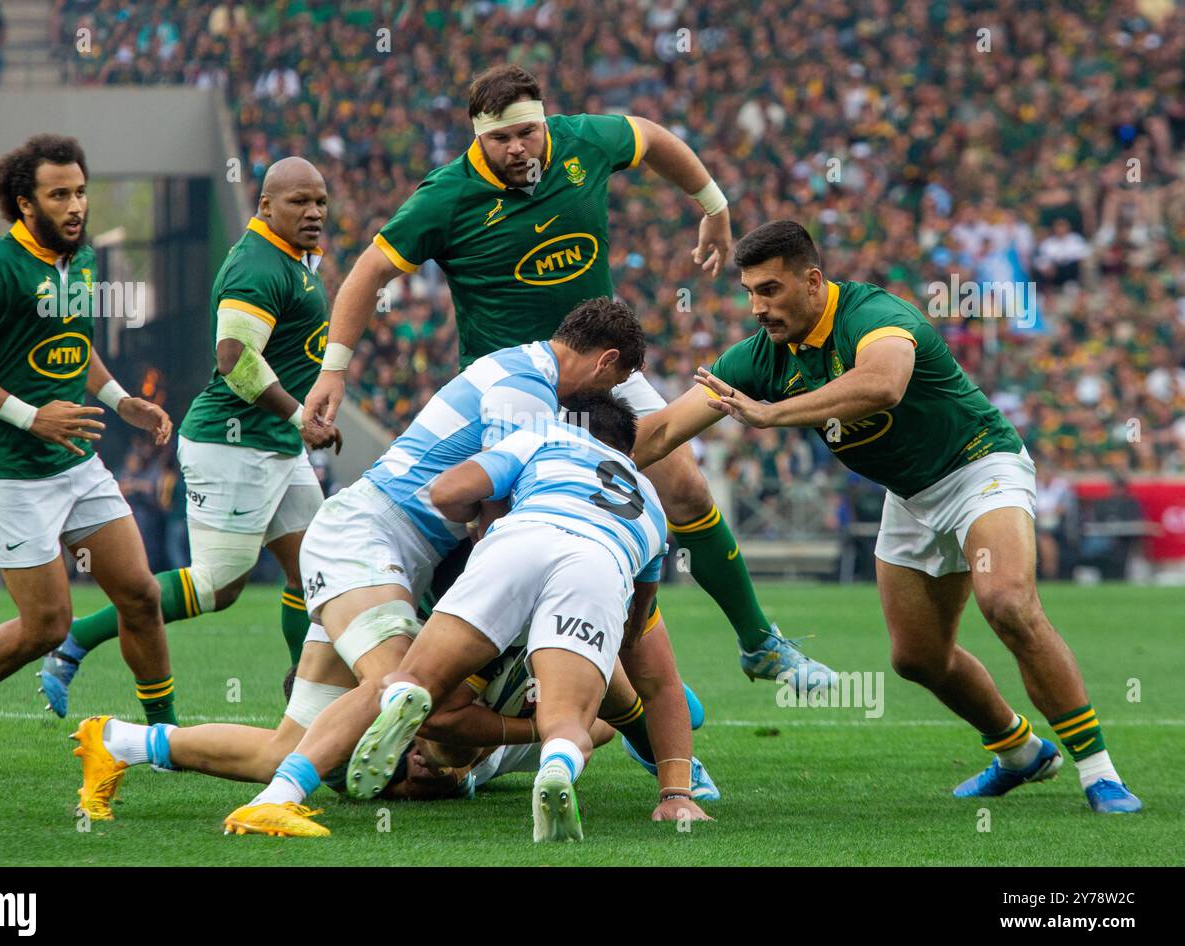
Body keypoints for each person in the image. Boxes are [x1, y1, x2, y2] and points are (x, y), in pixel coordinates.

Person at [73, 300, 712, 826]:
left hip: (381, 549)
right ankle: (288, 803)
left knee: (291, 746)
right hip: (369, 539)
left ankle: (118, 742)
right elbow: (496, 512)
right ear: (606, 363)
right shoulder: (530, 398)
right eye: (617, 384)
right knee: (405, 688)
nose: (608, 401)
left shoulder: (518, 372)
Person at [303, 63, 836, 692]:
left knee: (686, 488)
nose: (517, 148)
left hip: (599, 370)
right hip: (513, 393)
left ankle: (759, 644)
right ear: (477, 138)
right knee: (525, 533)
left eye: (527, 132)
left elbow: (655, 138)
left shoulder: (585, 142)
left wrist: (714, 207)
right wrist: (332, 371)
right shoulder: (446, 197)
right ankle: (538, 696)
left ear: (545, 121)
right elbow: (367, 274)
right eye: (500, 140)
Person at [633, 219, 1142, 814]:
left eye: (769, 290)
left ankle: (1099, 773)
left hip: (980, 465)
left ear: (813, 281)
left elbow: (882, 386)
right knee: (916, 659)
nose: (756, 307)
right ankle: (1018, 751)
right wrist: (574, 465)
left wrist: (774, 416)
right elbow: (665, 428)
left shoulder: (873, 315)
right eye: (749, 292)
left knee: (1007, 602)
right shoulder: (759, 359)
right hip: (910, 497)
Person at [251, 392, 708, 842]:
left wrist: (471, 520)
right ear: (628, 450)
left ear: (568, 420)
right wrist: (676, 793)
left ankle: (280, 793)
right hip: (598, 565)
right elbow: (641, 626)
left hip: (519, 542)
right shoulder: (650, 501)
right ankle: (557, 763)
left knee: (404, 680)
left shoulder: (543, 435)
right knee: (569, 718)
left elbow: (447, 489)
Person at [38, 157, 340, 716]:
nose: (315, 212)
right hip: (235, 446)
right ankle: (77, 637)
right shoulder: (258, 264)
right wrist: (301, 417)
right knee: (218, 587)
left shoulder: (290, 257)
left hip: (274, 443)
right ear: (265, 207)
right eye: (300, 201)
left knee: (317, 569)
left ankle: (310, 700)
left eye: (321, 201)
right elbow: (234, 360)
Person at [0, 133, 176, 773]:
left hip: (73, 463)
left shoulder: (82, 261)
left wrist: (124, 402)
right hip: (6, 474)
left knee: (140, 595)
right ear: (23, 203)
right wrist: (31, 417)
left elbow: (74, 347)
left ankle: (167, 739)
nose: (75, 206)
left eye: (81, 192)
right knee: (47, 627)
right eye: (59, 194)